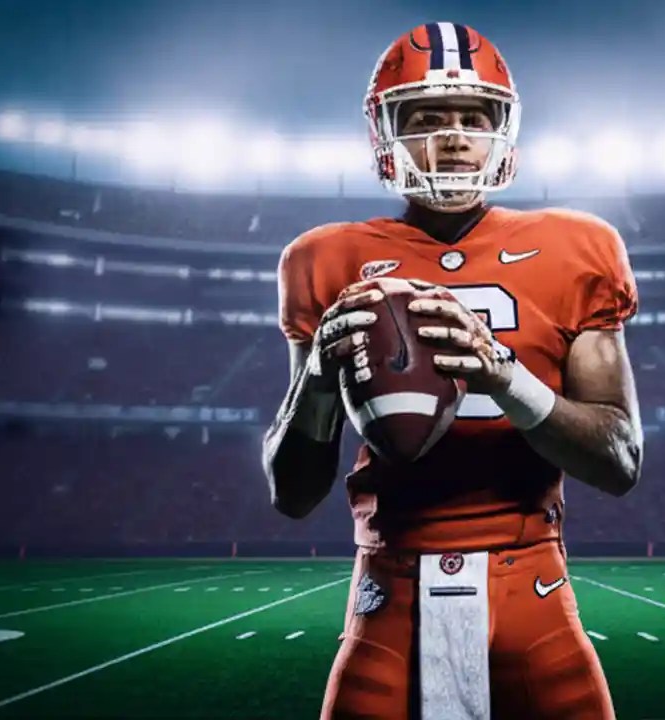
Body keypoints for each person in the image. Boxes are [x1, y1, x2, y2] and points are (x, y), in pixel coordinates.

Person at [262, 22, 642, 720]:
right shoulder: (322, 259)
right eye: (427, 118)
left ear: (504, 130)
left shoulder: (578, 247)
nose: (455, 137)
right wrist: (316, 380)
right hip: (387, 589)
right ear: (387, 133)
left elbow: (619, 460)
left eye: (475, 117)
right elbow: (292, 493)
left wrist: (504, 375)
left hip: (532, 590)